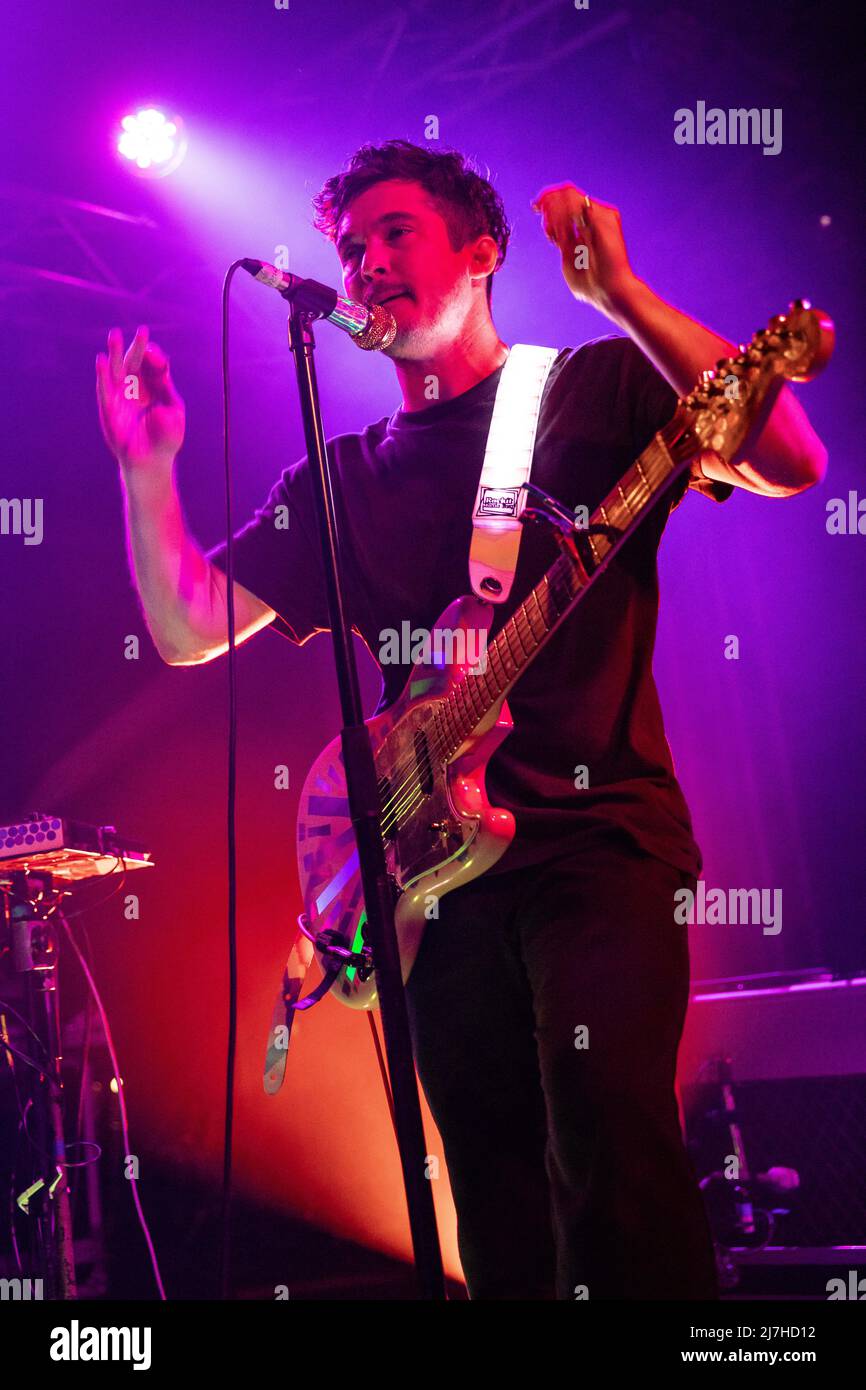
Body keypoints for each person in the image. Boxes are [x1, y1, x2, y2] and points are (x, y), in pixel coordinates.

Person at [95, 139, 827, 1300]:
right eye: (348, 247)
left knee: (607, 1139)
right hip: (435, 884)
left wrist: (620, 294)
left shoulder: (591, 386)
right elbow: (186, 624)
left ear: (482, 253)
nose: (366, 263)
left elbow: (786, 454)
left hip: (596, 845)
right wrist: (149, 473)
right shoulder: (341, 480)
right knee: (492, 1188)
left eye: (395, 233)